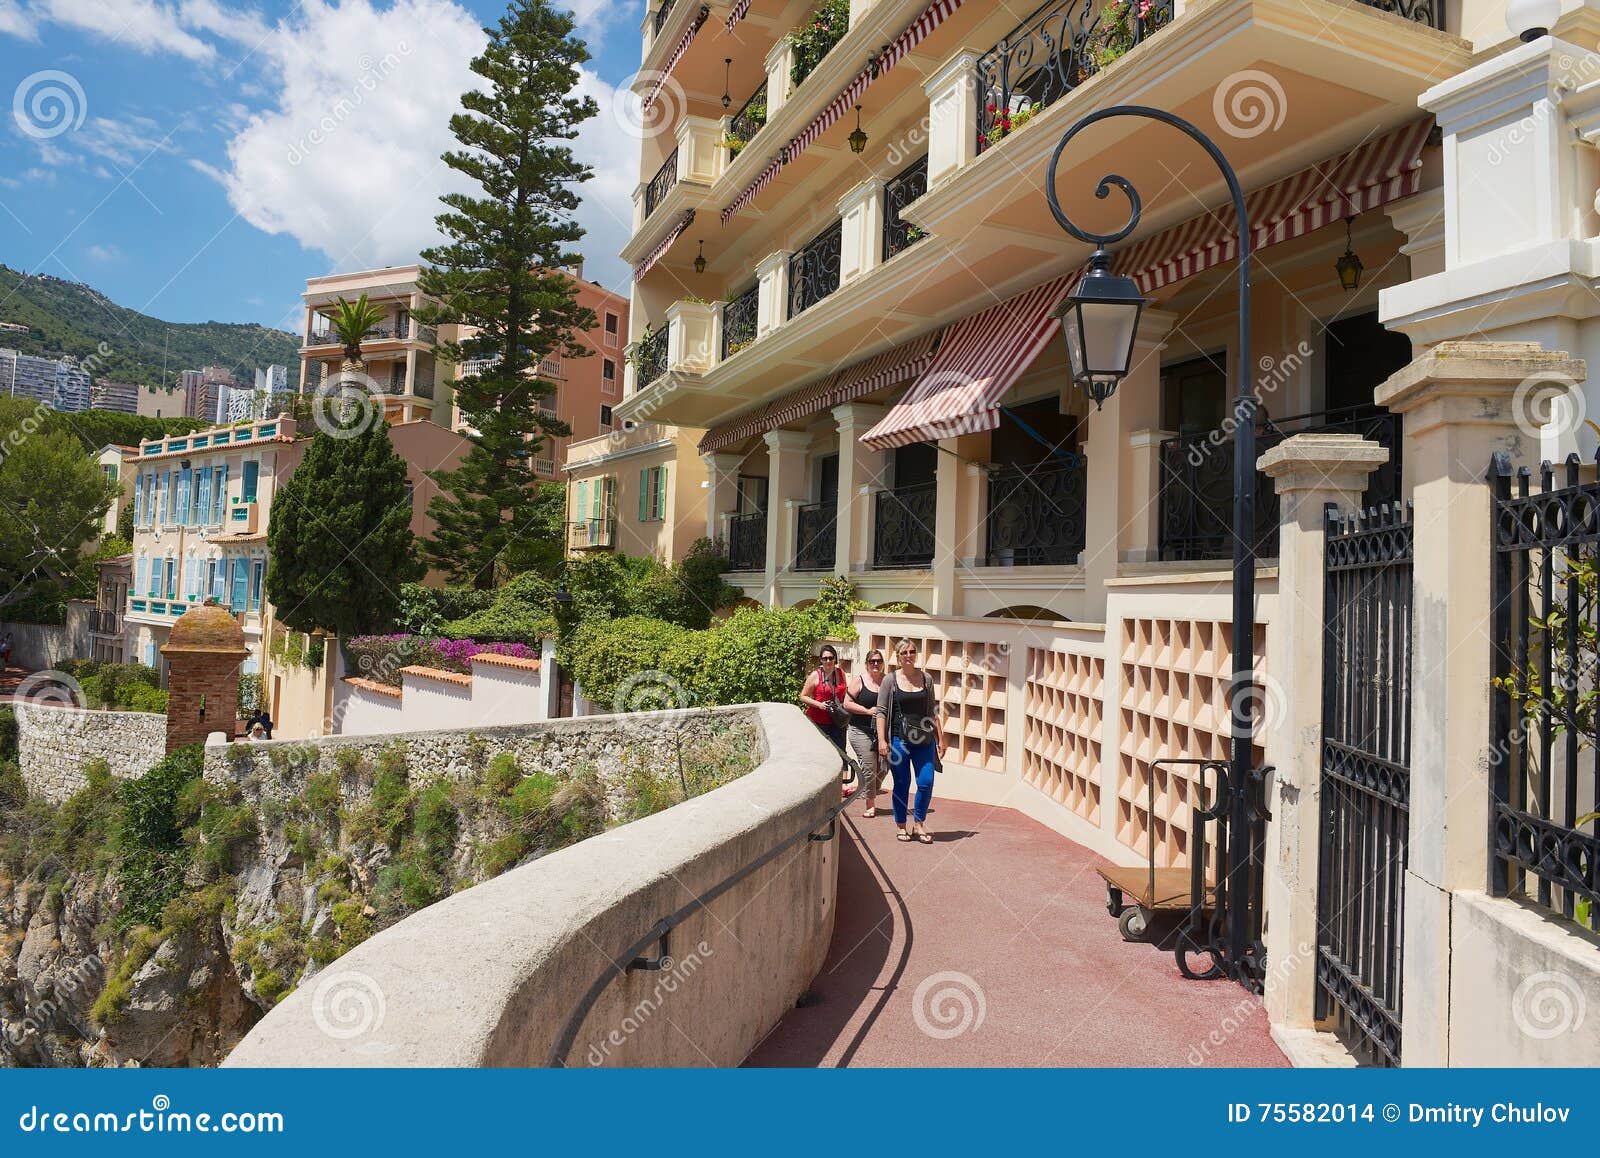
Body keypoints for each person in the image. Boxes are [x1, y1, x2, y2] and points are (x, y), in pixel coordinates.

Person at [877, 638, 945, 844]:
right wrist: (882, 740)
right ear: (898, 656)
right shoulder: (890, 680)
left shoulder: (926, 679)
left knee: (926, 782)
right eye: (904, 652)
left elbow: (932, 711)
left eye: (912, 651)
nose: (909, 656)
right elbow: (881, 712)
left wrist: (941, 739)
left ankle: (919, 824)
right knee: (902, 783)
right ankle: (901, 825)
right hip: (899, 740)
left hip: (924, 740)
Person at [843, 648, 885, 817]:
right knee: (869, 765)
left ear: (882, 663)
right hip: (859, 730)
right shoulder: (859, 681)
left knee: (884, 765)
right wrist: (867, 711)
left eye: (878, 661)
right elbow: (846, 703)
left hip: (880, 732)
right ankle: (870, 804)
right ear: (867, 664)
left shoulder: (887, 681)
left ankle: (865, 790)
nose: (875, 664)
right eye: (872, 661)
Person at [799, 645, 849, 763]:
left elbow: (844, 693)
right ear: (821, 660)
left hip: (837, 721)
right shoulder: (815, 675)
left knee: (841, 754)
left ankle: (843, 775)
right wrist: (819, 705)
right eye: (825, 658)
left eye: (831, 658)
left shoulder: (840, 673)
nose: (828, 661)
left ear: (835, 659)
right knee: (820, 755)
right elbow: (803, 696)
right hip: (819, 722)